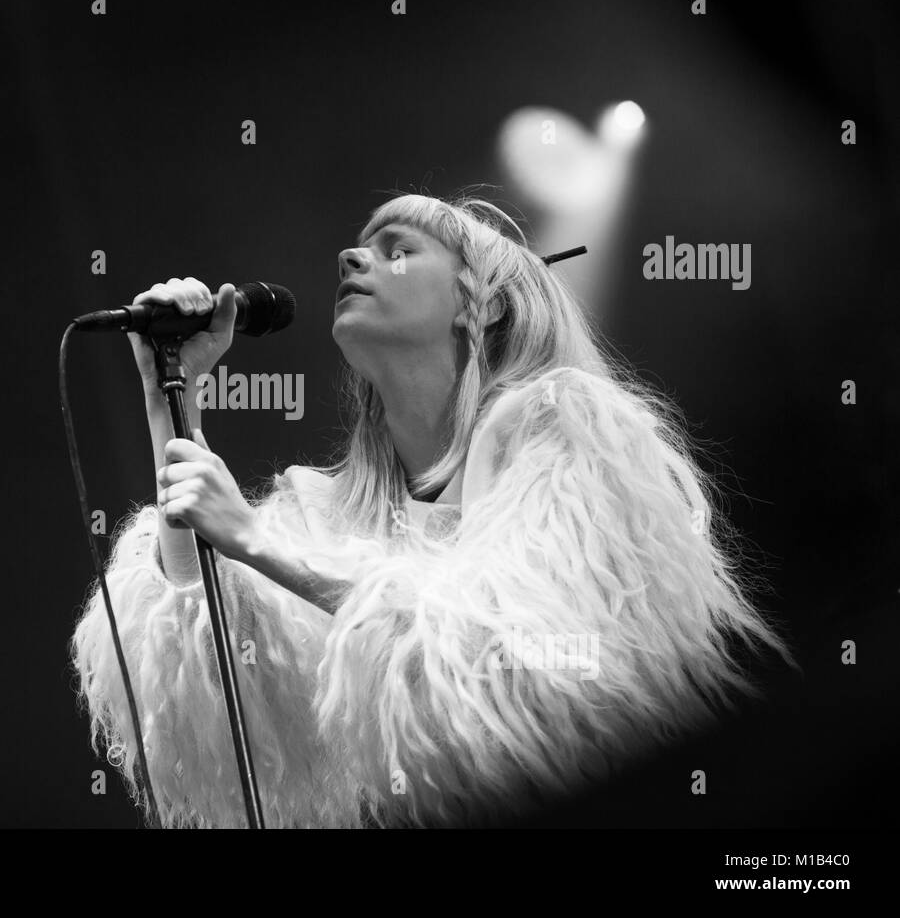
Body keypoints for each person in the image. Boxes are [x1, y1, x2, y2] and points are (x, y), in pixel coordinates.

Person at [70, 191, 798, 828]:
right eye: (360, 247)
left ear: (484, 301)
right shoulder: (326, 510)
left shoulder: (564, 430)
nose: (353, 257)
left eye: (399, 251)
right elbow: (202, 686)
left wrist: (257, 541)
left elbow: (540, 672)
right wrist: (171, 400)